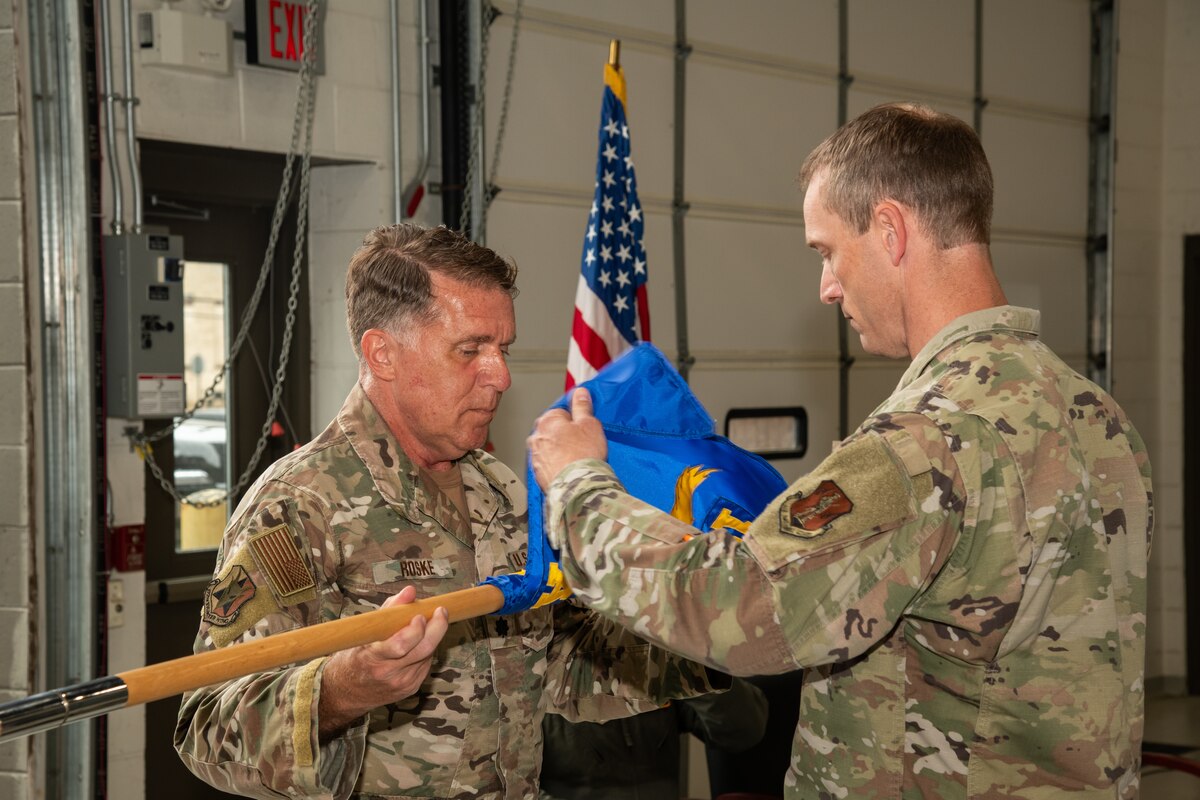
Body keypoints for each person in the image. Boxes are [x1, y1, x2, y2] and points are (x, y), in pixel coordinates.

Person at [527, 102, 1153, 799]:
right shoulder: (1096, 415)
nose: (827, 287)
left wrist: (579, 482)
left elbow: (738, 609)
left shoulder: (926, 442)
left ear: (889, 229)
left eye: (826, 251)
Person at [174, 223, 721, 799]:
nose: (502, 376)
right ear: (382, 353)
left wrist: (708, 619)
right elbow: (209, 728)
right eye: (471, 350)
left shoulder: (500, 488)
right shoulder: (301, 504)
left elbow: (561, 668)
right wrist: (342, 690)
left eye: (502, 349)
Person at [539, 674, 768, 800]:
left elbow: (745, 730)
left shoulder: (651, 666)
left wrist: (691, 665)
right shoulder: (540, 676)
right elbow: (511, 788)